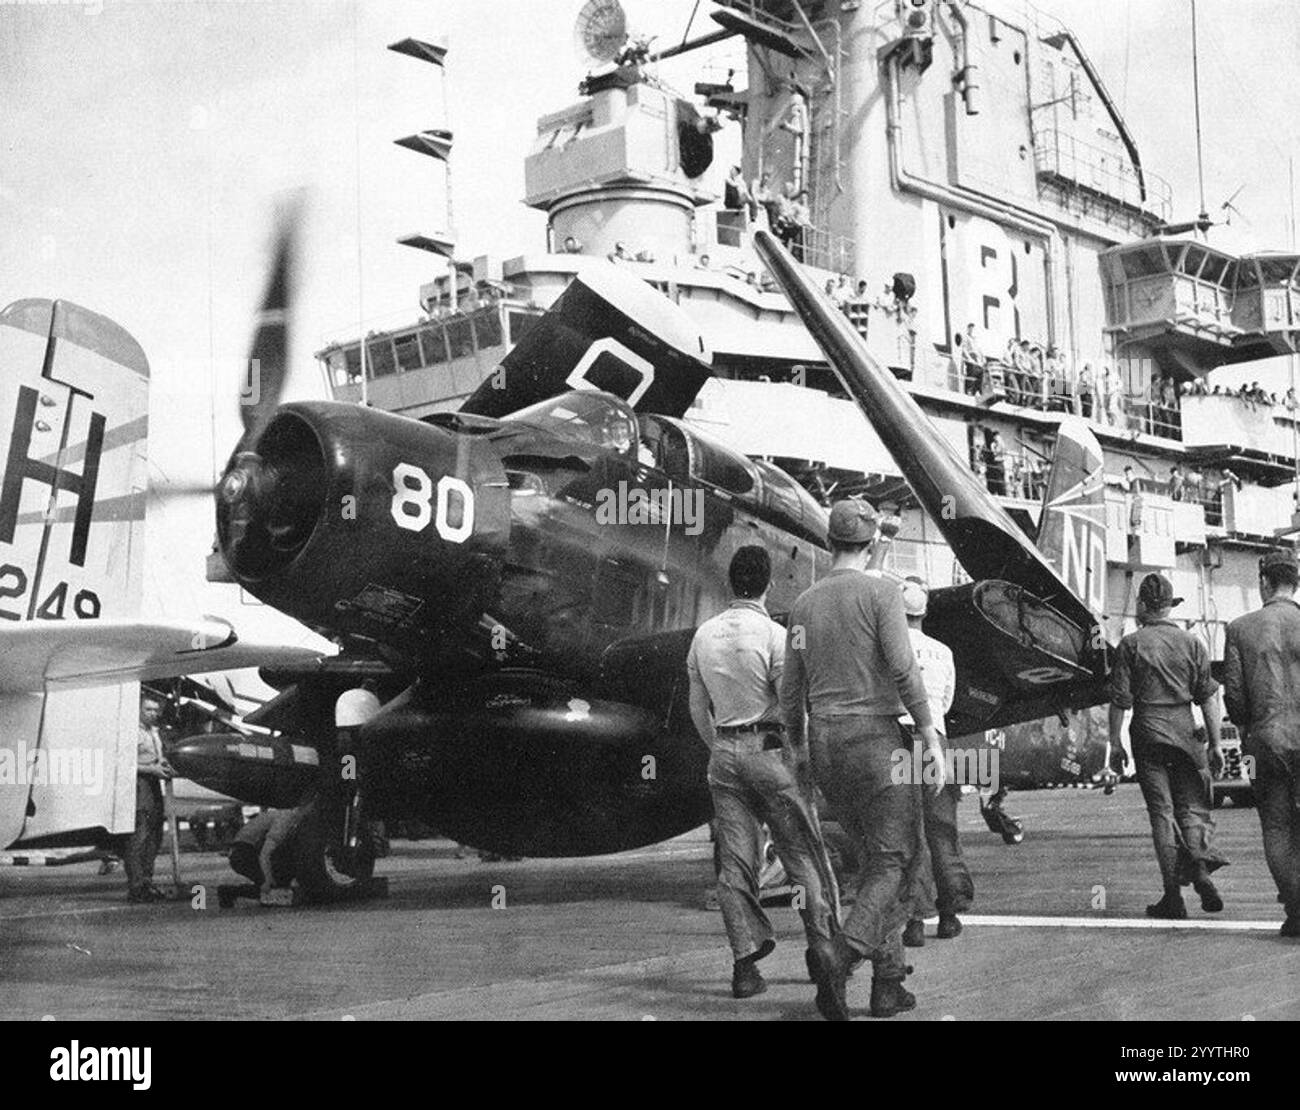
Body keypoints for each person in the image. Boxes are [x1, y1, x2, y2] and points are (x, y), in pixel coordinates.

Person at [780, 499, 945, 1021]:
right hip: (876, 740)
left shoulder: (804, 604)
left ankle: (887, 985)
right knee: (898, 859)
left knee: (875, 864)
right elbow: (903, 667)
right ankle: (843, 953)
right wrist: (928, 732)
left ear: (830, 541)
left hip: (826, 745)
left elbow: (790, 690)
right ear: (872, 542)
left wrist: (798, 750)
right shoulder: (881, 592)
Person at [687, 546, 838, 999]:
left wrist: (720, 748)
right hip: (771, 752)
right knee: (802, 854)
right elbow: (790, 705)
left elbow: (697, 706)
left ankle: (745, 967)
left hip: (724, 754)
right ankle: (822, 953)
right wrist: (801, 756)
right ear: (769, 584)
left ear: (731, 583)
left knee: (735, 862)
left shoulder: (703, 636)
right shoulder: (776, 635)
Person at [1108, 573, 1228, 919]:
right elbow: (1208, 698)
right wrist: (1216, 744)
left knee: (1161, 813)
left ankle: (1173, 897)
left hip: (1148, 733)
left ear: (1143, 605)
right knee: (1192, 809)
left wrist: (1115, 744)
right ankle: (1201, 871)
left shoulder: (1130, 644)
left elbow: (1120, 701)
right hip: (1185, 732)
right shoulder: (1193, 643)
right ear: (1168, 606)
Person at [1222, 548, 1300, 937]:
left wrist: (1247, 728)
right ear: (1295, 583)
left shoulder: (1239, 629)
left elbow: (1234, 699)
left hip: (1263, 743)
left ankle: (1296, 910)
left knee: (1276, 826)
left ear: (1264, 582)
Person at [898, 578, 972, 946]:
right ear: (924, 613)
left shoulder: (889, 648)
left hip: (897, 738)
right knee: (941, 827)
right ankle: (949, 914)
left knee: (907, 831)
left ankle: (914, 920)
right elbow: (946, 701)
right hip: (935, 741)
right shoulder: (943, 652)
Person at [125, 693, 175, 903]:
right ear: (138, 710)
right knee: (140, 835)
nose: (153, 714)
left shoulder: (153, 732)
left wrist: (163, 764)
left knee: (155, 835)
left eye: (156, 710)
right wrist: (151, 769)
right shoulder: (130, 731)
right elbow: (124, 762)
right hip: (139, 783)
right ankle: (136, 887)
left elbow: (158, 756)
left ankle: (147, 882)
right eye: (148, 709)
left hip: (154, 782)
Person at [227, 790, 318, 904]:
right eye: (314, 807)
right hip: (242, 853)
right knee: (272, 887)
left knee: (275, 884)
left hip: (241, 851)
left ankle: (231, 892)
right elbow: (265, 854)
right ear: (307, 806)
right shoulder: (285, 819)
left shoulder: (289, 818)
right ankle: (229, 892)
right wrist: (267, 879)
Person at [961, 323, 985, 395]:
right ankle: (969, 391)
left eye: (973, 329)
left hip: (978, 359)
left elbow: (979, 349)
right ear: (968, 329)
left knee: (980, 374)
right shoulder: (966, 337)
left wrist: (983, 358)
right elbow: (964, 349)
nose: (972, 330)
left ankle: (977, 390)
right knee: (971, 373)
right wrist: (969, 358)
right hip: (971, 357)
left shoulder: (976, 339)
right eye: (971, 329)